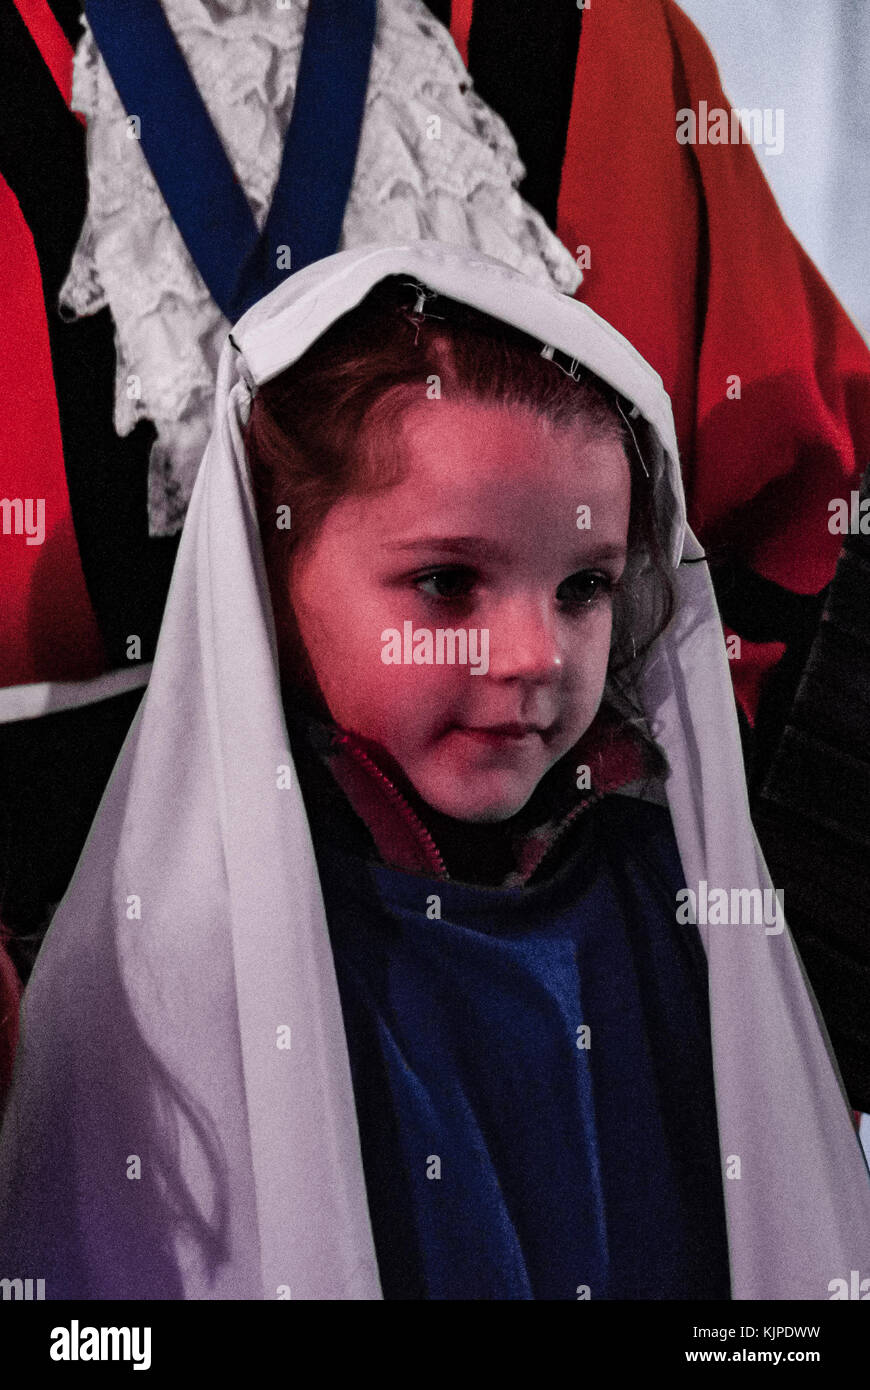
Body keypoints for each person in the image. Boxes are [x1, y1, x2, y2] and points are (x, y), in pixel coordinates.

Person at [0, 240, 867, 1300]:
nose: (538, 654)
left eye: (584, 586)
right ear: (266, 581)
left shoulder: (665, 890)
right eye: (448, 580)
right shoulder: (179, 947)